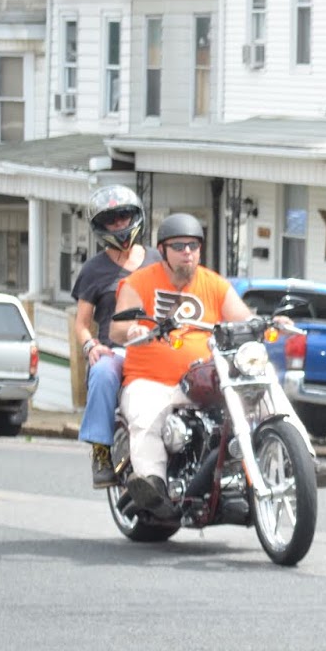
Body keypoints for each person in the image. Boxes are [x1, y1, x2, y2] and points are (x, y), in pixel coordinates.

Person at [109, 212, 257, 518]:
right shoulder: (139, 282)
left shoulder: (214, 284)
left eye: (193, 245)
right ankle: (153, 486)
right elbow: (116, 329)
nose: (187, 252)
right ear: (162, 250)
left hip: (203, 378)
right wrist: (134, 329)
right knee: (145, 417)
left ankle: (299, 460)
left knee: (256, 394)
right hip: (151, 380)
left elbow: (244, 318)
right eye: (178, 246)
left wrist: (267, 323)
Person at [74, 185, 148, 488]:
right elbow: (81, 324)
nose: (119, 224)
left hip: (158, 347)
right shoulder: (93, 269)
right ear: (100, 226)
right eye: (111, 219)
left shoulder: (158, 260)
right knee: (102, 372)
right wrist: (90, 345)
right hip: (115, 350)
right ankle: (101, 450)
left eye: (124, 215)